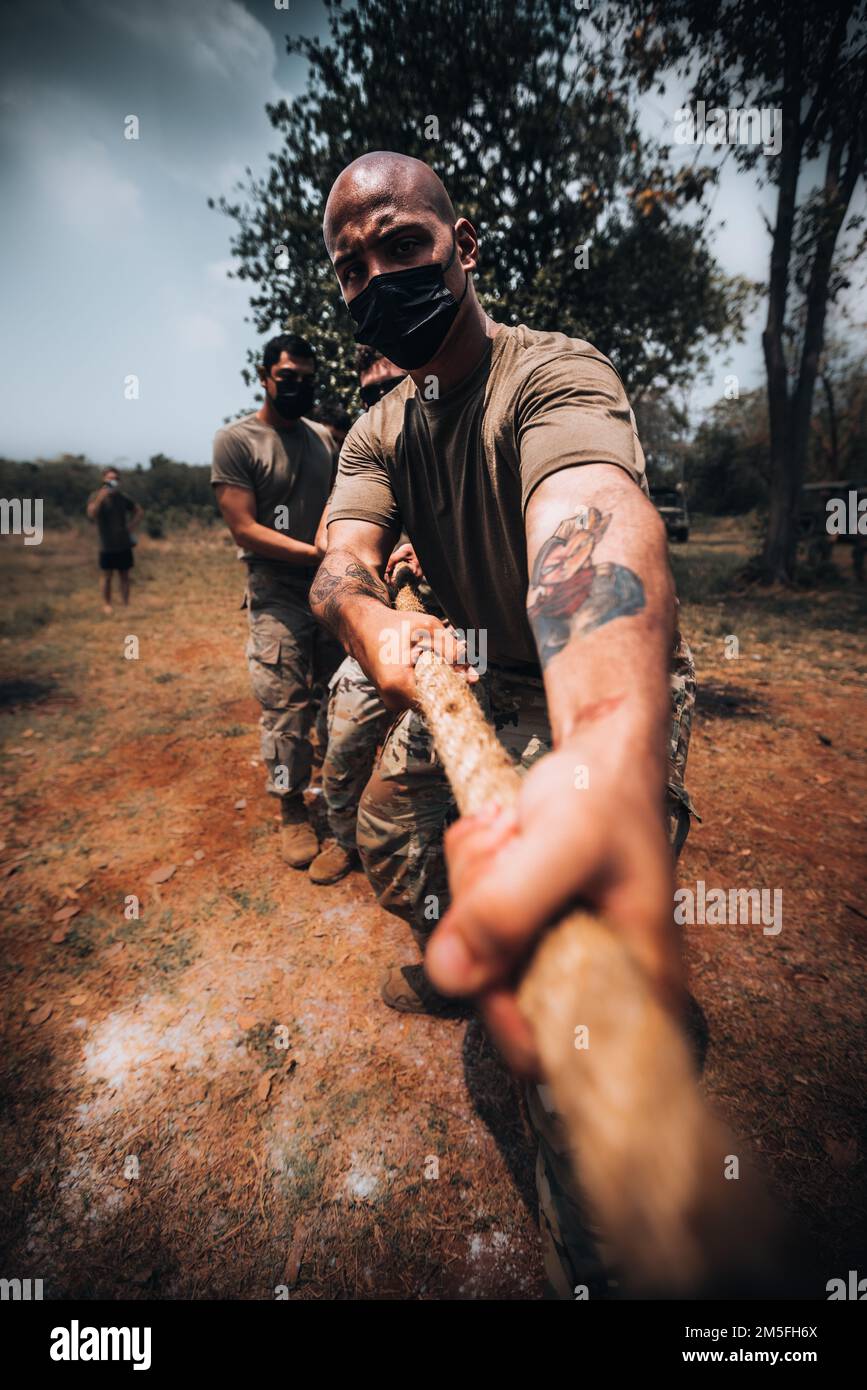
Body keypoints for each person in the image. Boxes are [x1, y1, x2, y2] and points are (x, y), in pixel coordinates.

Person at [310, 151, 697, 1296]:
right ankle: (456, 950)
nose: (380, 279)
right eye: (352, 267)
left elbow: (591, 522)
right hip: (463, 673)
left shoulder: (551, 373)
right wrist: (375, 625)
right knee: (384, 831)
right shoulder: (379, 427)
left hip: (572, 684)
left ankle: (603, 1257)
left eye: (403, 246)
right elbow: (340, 564)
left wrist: (605, 749)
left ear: (464, 248)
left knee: (571, 1000)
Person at [211, 332, 343, 869]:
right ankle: (291, 807)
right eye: (287, 377)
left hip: (327, 583)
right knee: (285, 702)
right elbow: (243, 528)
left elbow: (336, 501)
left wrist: (332, 548)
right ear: (264, 377)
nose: (297, 387)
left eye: (307, 379)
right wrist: (313, 551)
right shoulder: (237, 440)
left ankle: (340, 798)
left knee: (339, 695)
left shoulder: (323, 439)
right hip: (274, 586)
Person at [308, 348, 418, 891]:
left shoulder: (462, 434)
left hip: (470, 626)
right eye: (371, 392)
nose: (384, 399)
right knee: (346, 731)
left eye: (394, 384)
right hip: (385, 621)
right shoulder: (366, 451)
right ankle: (341, 836)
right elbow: (327, 542)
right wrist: (378, 553)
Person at [86, 466, 143, 613]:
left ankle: (126, 604)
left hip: (123, 543)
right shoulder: (96, 496)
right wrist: (101, 498)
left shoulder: (122, 497)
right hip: (106, 544)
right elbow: (92, 514)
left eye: (116, 479)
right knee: (107, 576)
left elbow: (138, 511)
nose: (113, 481)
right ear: (104, 479)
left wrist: (131, 527)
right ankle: (107, 604)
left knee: (125, 575)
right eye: (110, 479)